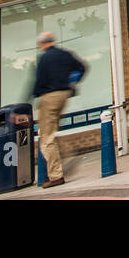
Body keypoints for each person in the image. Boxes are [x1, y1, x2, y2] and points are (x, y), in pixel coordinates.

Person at [32, 31, 87, 188]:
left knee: (45, 136)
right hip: (65, 94)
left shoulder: (44, 58)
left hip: (50, 96)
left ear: (42, 44)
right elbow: (82, 67)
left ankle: (56, 175)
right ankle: (66, 155)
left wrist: (33, 97)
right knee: (52, 131)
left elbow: (39, 80)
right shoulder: (65, 54)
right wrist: (72, 83)